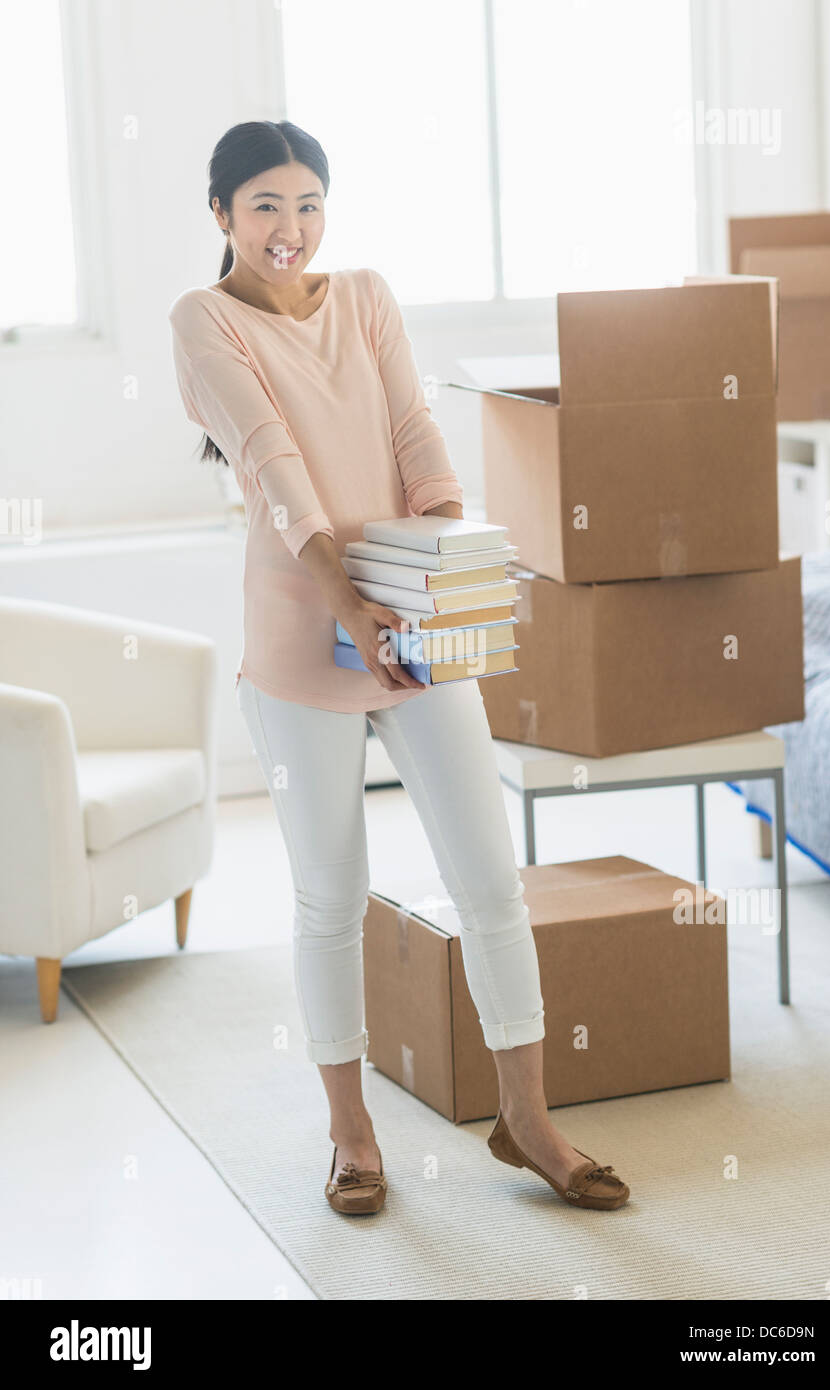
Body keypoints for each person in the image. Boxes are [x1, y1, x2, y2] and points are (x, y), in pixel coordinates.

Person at [168, 119, 629, 1216]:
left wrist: (445, 563)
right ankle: (351, 1134)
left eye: (308, 203)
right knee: (331, 897)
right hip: (302, 639)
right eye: (266, 206)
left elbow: (414, 430)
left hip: (417, 628)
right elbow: (273, 462)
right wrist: (350, 604)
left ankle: (526, 1121)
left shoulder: (367, 296)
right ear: (222, 214)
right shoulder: (204, 319)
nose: (290, 227)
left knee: (490, 881)